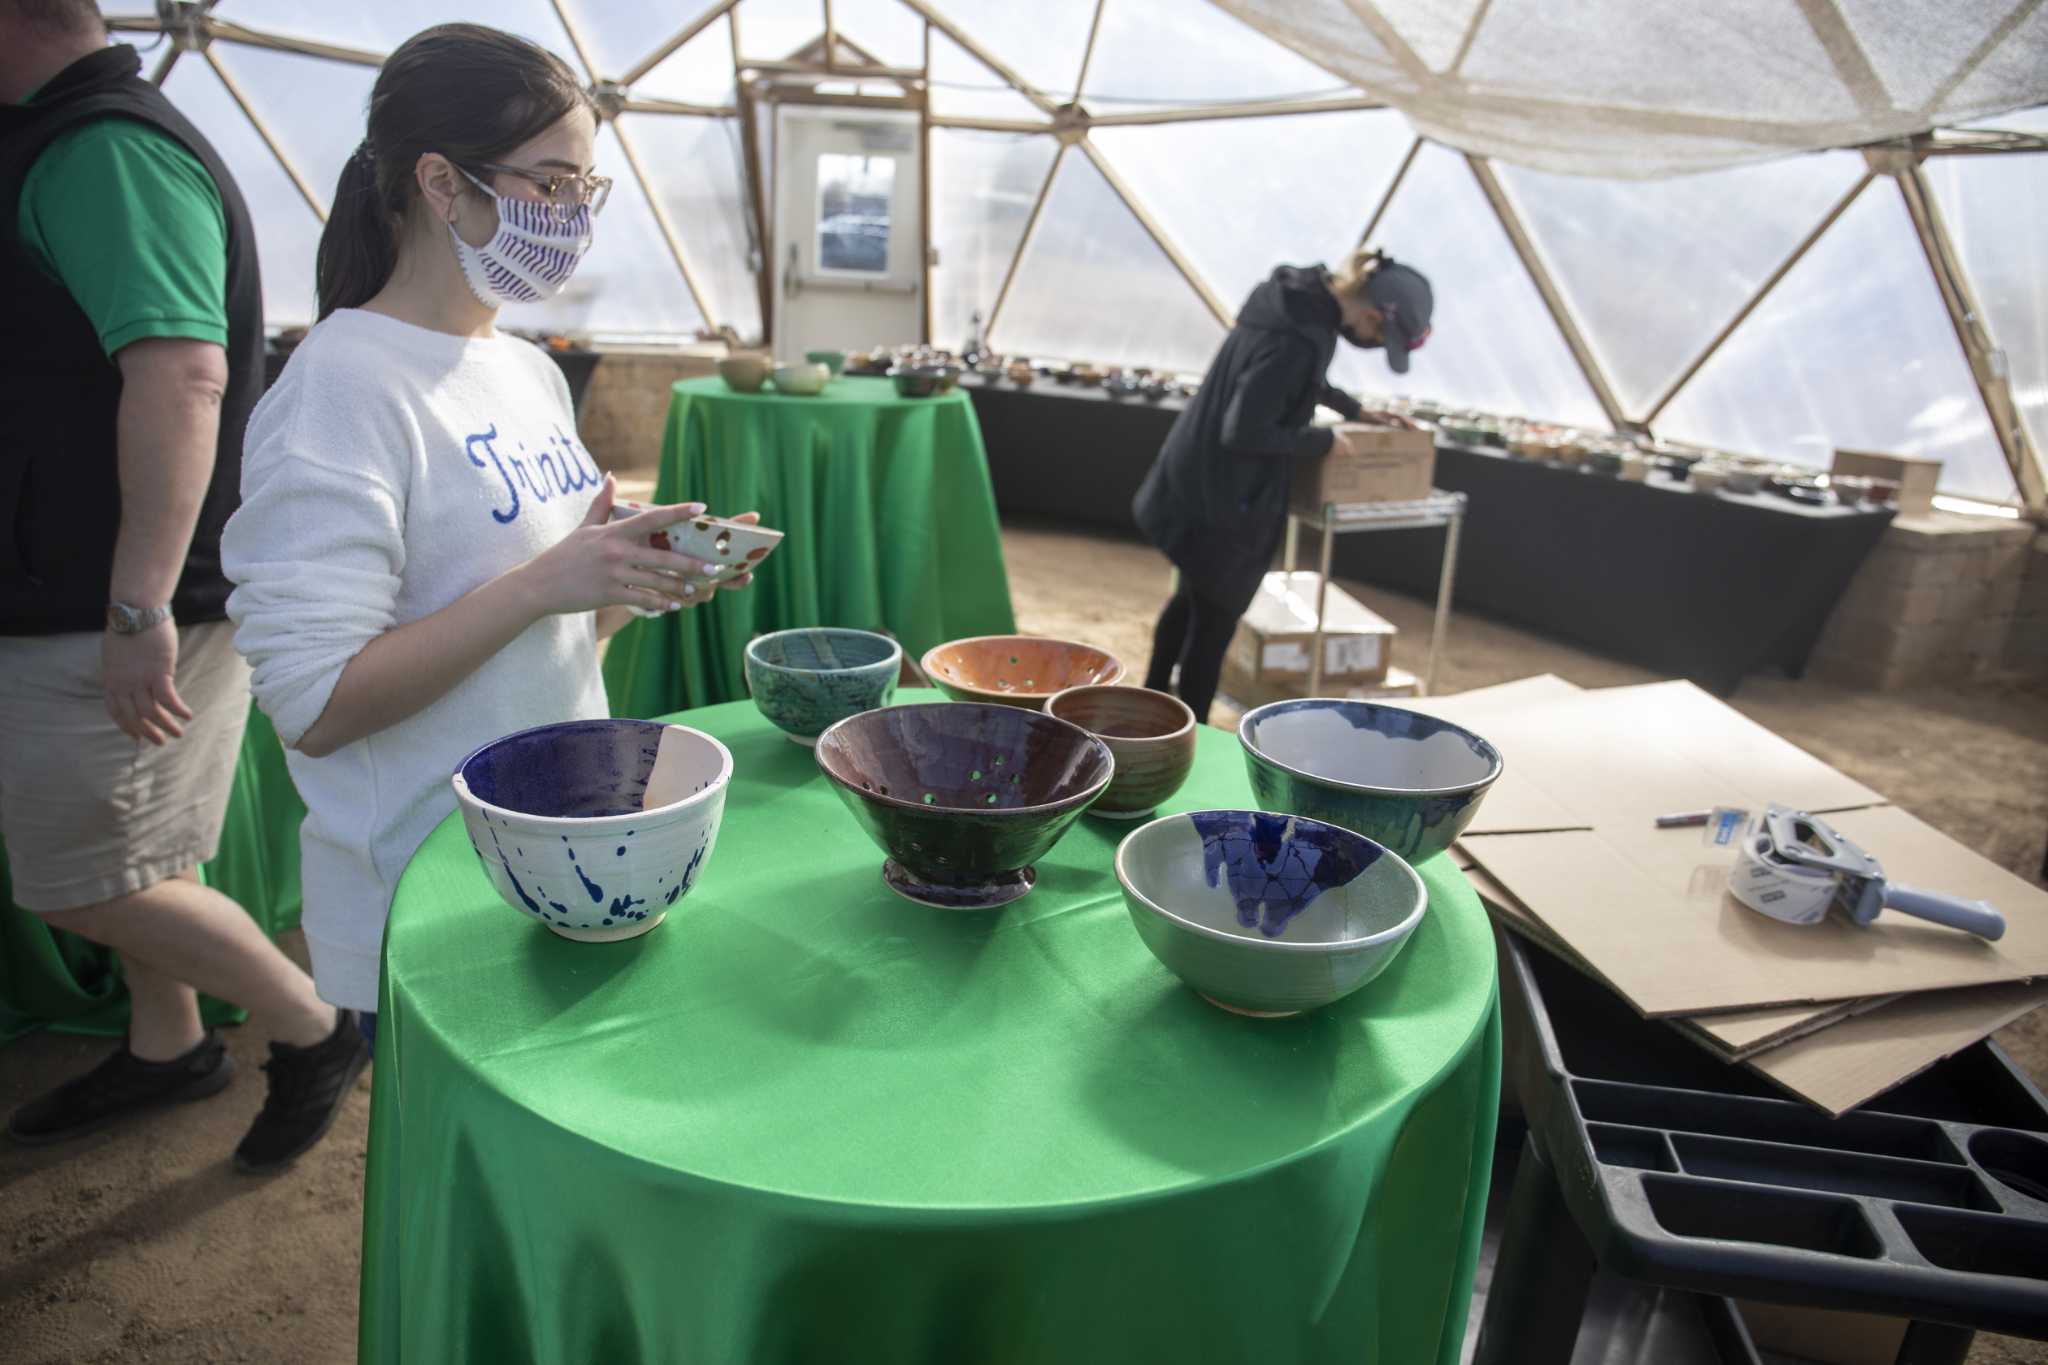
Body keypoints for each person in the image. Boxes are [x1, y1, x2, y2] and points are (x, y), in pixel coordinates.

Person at [221, 24, 753, 1050]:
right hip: (429, 891)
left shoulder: (522, 369)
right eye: (550, 184)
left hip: (564, 850)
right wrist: (545, 584)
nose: (572, 220)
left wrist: (618, 584)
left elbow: (555, 632)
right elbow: (316, 706)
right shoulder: (338, 389)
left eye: (585, 192)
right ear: (440, 182)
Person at [0, 0, 365, 1170]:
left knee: (72, 880)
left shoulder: (103, 146)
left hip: (108, 599)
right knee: (139, 853)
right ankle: (170, 1046)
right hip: (88, 588)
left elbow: (183, 376)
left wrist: (136, 605)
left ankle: (316, 1026)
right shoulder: (75, 137)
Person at [1132, 248, 1434, 724]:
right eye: (1379, 335)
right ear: (1373, 312)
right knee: (1212, 628)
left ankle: (1149, 707)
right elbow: (1246, 430)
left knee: (1192, 599)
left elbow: (1297, 380)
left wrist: (1352, 410)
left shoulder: (1297, 303)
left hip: (1192, 475)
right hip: (1223, 498)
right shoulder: (1298, 338)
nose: (1372, 341)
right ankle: (1184, 734)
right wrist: (1323, 441)